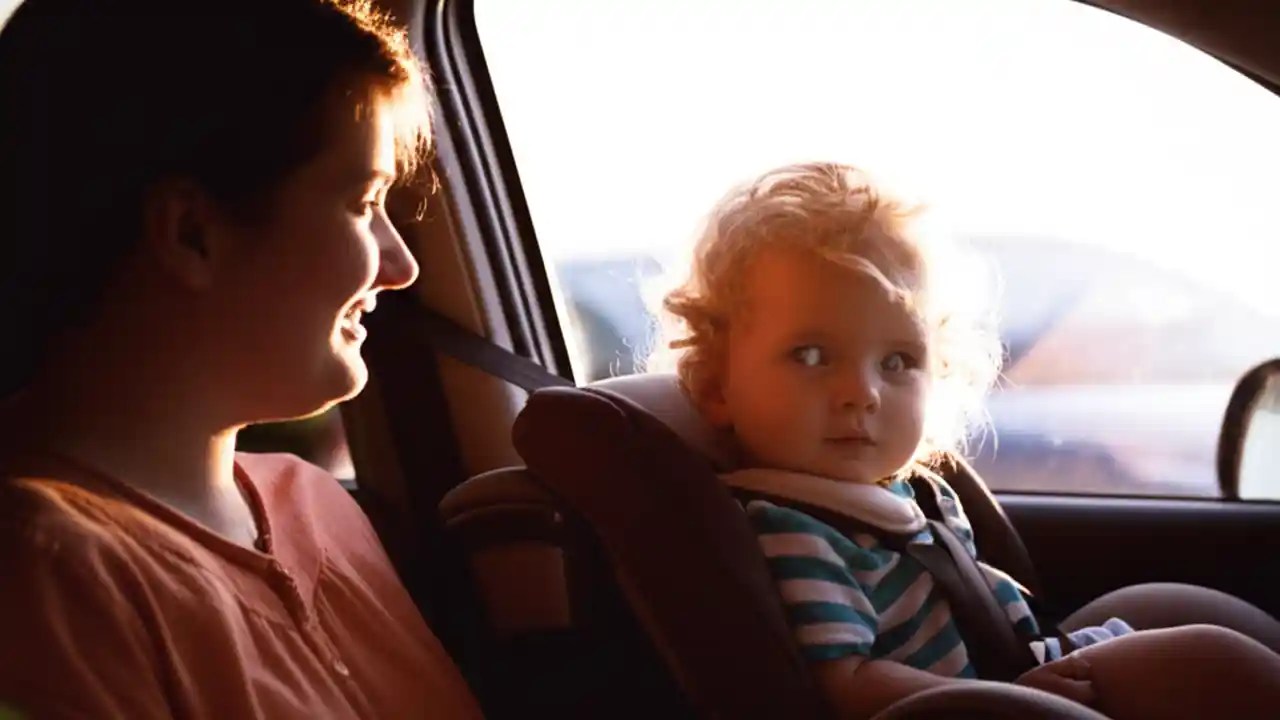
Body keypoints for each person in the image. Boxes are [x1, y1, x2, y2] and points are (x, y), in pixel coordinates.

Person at [0, 0, 484, 717]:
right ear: (192, 234)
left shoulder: (317, 507)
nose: (401, 266)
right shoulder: (45, 573)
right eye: (363, 204)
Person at [661, 161, 1280, 719]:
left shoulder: (904, 495)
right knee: (1214, 664)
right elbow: (846, 682)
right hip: (983, 702)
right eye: (813, 355)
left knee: (1183, 617)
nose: (863, 393)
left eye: (897, 361)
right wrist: (1018, 696)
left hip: (1016, 668)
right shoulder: (792, 531)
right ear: (717, 386)